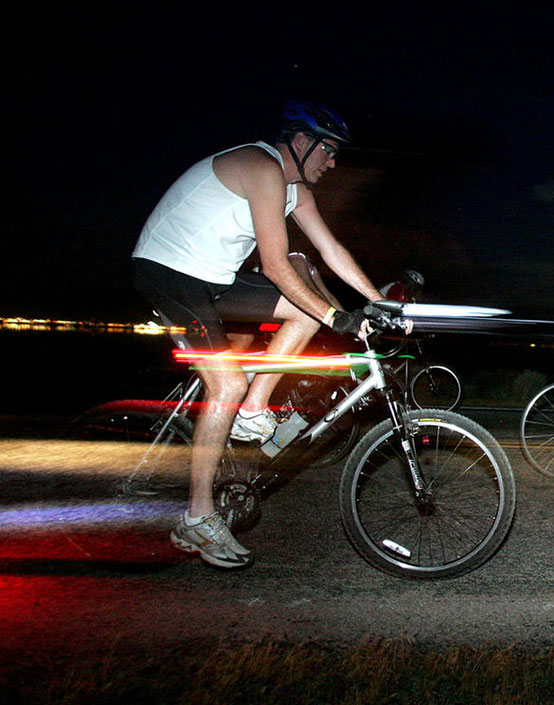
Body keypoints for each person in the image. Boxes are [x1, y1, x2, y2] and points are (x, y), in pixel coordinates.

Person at [131, 100, 388, 569]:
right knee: (227, 381)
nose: (332, 163)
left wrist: (377, 303)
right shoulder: (262, 167)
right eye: (328, 151)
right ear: (302, 141)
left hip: (214, 278)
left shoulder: (297, 191)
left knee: (307, 308)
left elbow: (332, 250)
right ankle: (198, 517)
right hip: (167, 273)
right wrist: (337, 319)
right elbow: (274, 264)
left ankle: (253, 409)